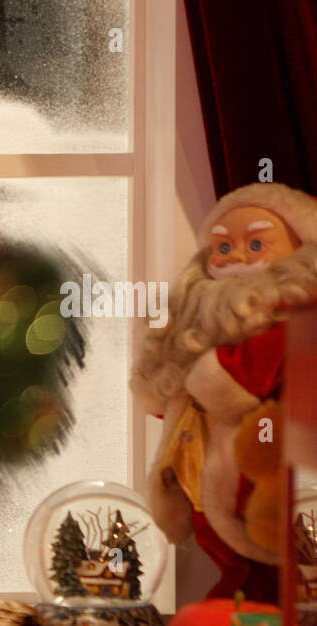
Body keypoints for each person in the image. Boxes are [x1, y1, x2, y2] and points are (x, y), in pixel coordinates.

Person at [132, 183, 317, 600]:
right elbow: (169, 396)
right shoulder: (202, 313)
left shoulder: (295, 314)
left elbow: (247, 374)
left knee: (264, 549)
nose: (236, 257)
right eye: (223, 246)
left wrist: (197, 373)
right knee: (222, 544)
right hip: (200, 463)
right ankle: (235, 619)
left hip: (260, 463)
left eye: (256, 243)